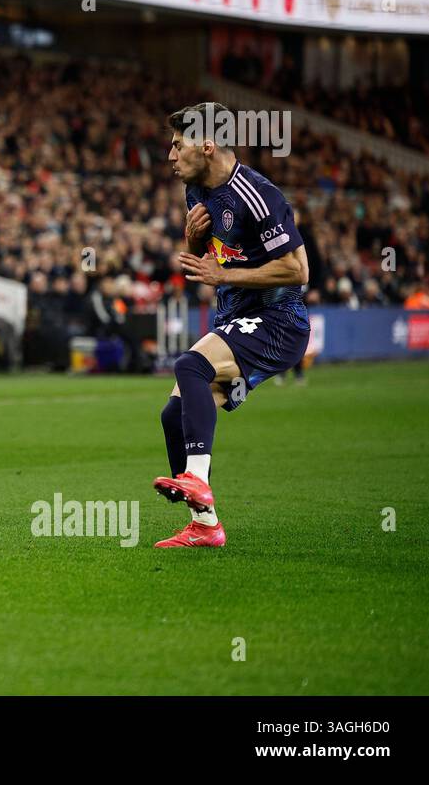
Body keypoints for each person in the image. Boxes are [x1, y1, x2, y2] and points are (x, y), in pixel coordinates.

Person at [153, 103, 310, 548]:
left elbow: (298, 272)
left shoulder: (258, 195)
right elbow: (212, 252)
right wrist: (194, 239)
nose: (170, 155)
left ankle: (197, 480)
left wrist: (226, 276)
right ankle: (205, 525)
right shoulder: (196, 190)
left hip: (279, 322)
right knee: (173, 415)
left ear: (207, 146)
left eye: (177, 145)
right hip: (237, 318)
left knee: (190, 366)